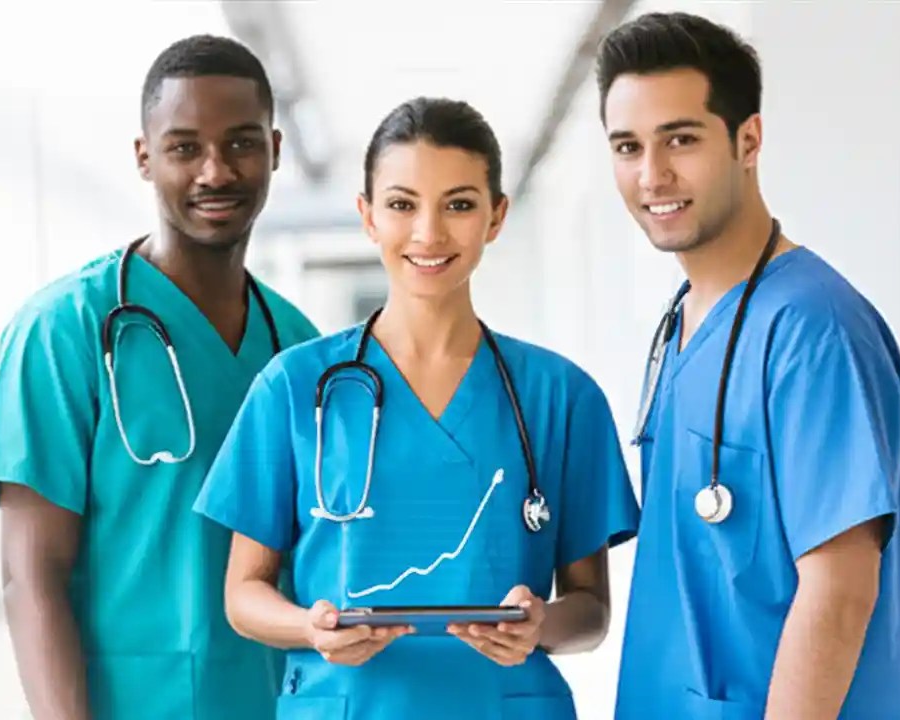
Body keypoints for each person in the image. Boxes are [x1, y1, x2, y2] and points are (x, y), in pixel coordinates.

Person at [192, 97, 640, 720]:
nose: (429, 233)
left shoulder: (560, 396)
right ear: (368, 216)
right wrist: (310, 628)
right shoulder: (293, 387)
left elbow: (591, 611)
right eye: (402, 204)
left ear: (496, 216)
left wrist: (541, 625)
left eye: (459, 204)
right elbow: (243, 595)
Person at [0, 35, 319, 720]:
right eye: (185, 147)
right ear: (144, 157)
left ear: (275, 149)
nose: (215, 170)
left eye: (241, 143)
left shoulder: (298, 348)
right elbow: (29, 575)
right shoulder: (65, 330)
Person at [596, 12, 900, 719]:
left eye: (680, 139)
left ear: (749, 139)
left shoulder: (814, 328)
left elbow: (839, 590)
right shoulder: (682, 324)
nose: (652, 175)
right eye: (628, 146)